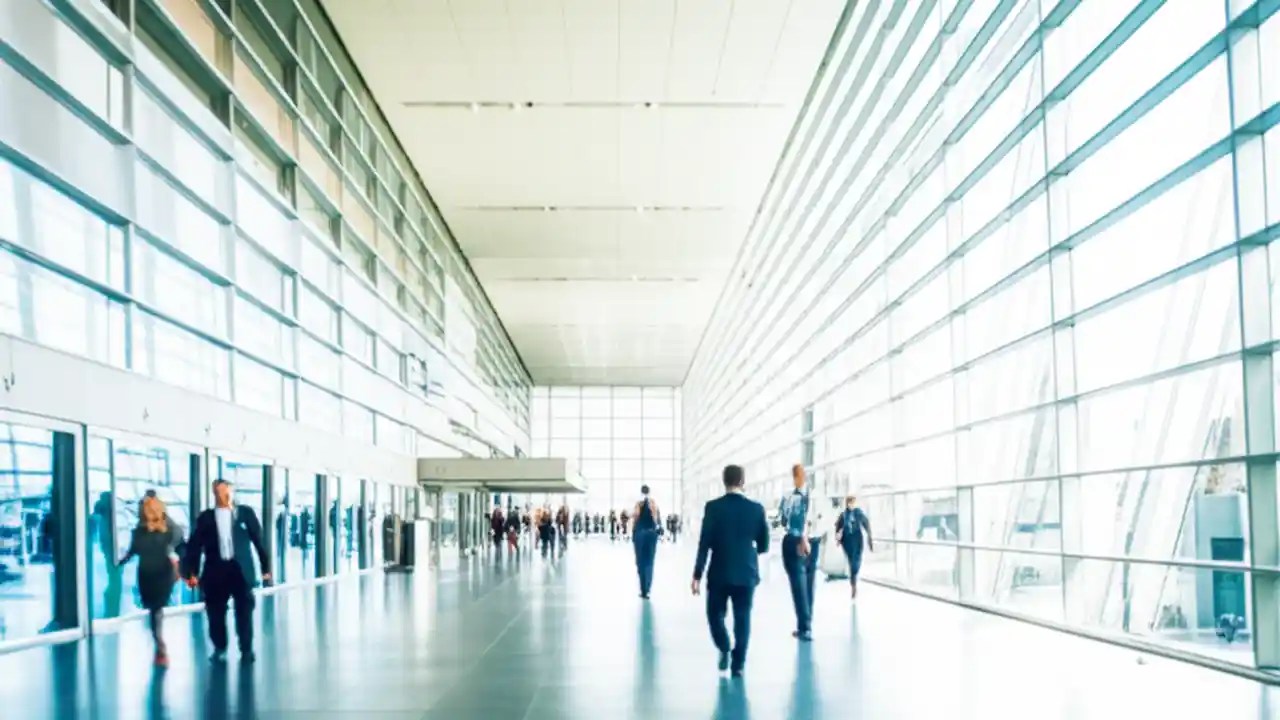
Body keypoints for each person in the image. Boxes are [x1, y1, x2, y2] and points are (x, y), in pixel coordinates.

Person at [692, 464, 769, 678]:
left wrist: (697, 574)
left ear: (724, 481)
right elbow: (764, 544)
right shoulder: (756, 509)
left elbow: (704, 544)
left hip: (719, 572)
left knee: (714, 615)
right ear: (742, 481)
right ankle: (738, 665)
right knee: (742, 619)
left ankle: (724, 646)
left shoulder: (713, 508)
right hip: (746, 573)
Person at [183, 479, 270, 663]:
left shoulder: (245, 514)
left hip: (240, 570)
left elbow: (259, 540)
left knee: (244, 611)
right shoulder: (205, 518)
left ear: (232, 492)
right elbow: (195, 546)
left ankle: (246, 649)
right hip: (216, 571)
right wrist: (192, 572)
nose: (222, 496)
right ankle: (219, 647)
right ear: (214, 494)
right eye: (218, 493)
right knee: (215, 612)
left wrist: (266, 567)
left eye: (226, 492)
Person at [119, 495, 184, 667]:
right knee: (154, 610)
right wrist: (119, 562)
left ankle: (159, 646)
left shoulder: (167, 529)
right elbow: (132, 551)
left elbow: (179, 543)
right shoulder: (142, 531)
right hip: (148, 575)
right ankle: (159, 643)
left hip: (161, 574)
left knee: (156, 609)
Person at [778, 464, 825, 642]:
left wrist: (804, 536)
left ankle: (805, 626)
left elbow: (784, 520)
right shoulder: (806, 496)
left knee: (802, 585)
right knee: (805, 585)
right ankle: (805, 625)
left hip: (801, 541)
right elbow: (783, 520)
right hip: (804, 541)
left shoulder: (797, 497)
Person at [835, 495, 873, 598]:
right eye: (849, 502)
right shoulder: (843, 515)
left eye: (852, 502)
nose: (851, 505)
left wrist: (869, 537)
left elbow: (866, 523)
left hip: (857, 540)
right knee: (852, 562)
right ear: (847, 504)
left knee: (857, 561)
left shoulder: (858, 513)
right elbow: (838, 527)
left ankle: (853, 580)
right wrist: (838, 539)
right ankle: (853, 583)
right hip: (847, 542)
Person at [632, 485, 661, 599]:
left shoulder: (638, 504)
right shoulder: (653, 504)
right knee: (650, 562)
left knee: (640, 562)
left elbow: (635, 517)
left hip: (640, 534)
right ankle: (648, 589)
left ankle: (643, 589)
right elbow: (657, 520)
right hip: (651, 534)